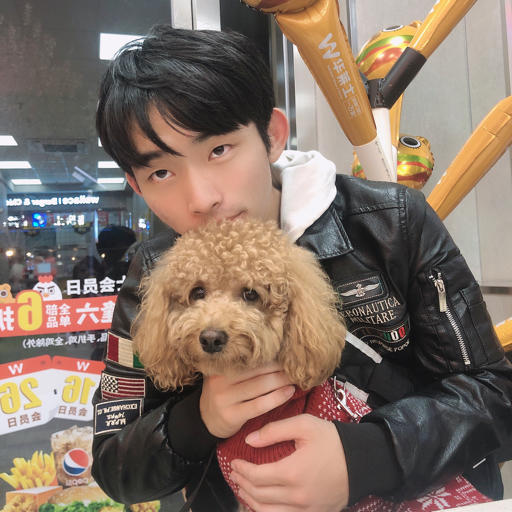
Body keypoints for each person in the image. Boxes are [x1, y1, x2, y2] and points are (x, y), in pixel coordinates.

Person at [91, 21, 512, 512]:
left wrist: (368, 456)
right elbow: (114, 468)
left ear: (271, 135)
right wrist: (198, 420)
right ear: (136, 185)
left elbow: (494, 393)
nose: (202, 198)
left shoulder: (391, 222)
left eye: (219, 150)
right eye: (162, 171)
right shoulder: (154, 270)